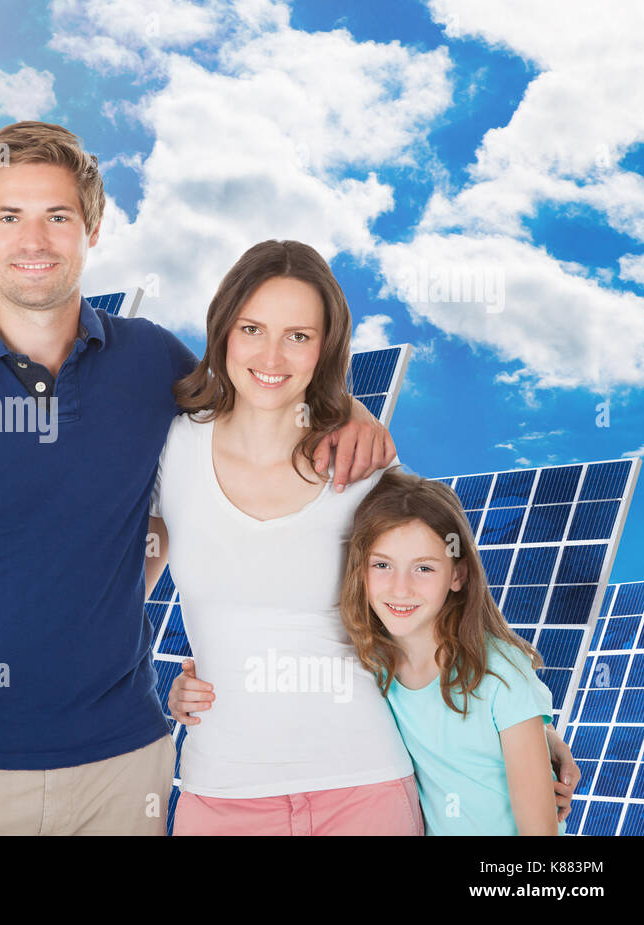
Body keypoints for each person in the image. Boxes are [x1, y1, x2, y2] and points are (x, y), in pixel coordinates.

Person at [0, 120, 396, 836]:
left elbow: (266, 381)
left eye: (58, 216)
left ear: (92, 226)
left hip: (125, 773)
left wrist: (355, 412)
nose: (34, 241)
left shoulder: (151, 363)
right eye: (10, 217)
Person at [163, 243, 578, 834]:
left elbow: (445, 593)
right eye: (251, 328)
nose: (272, 355)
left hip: (363, 787)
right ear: (223, 328)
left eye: (299, 335)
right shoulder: (173, 447)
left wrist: (525, 724)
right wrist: (174, 687)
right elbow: (110, 585)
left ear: (326, 347)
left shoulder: (363, 465)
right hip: (222, 791)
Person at [339, 469, 565, 834]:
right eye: (382, 565)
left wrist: (545, 737)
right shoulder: (373, 666)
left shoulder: (501, 675)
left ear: (457, 576)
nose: (400, 588)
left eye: (424, 568)